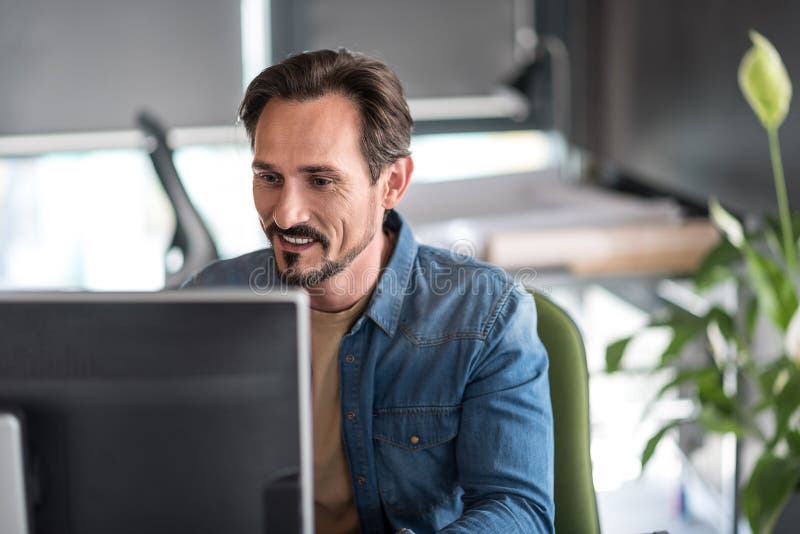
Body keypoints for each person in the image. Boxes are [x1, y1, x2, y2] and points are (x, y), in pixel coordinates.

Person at [182, 49, 554, 534]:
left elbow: (518, 511)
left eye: (321, 180)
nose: (286, 214)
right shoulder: (206, 304)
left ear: (392, 183)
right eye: (269, 178)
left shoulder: (483, 314)